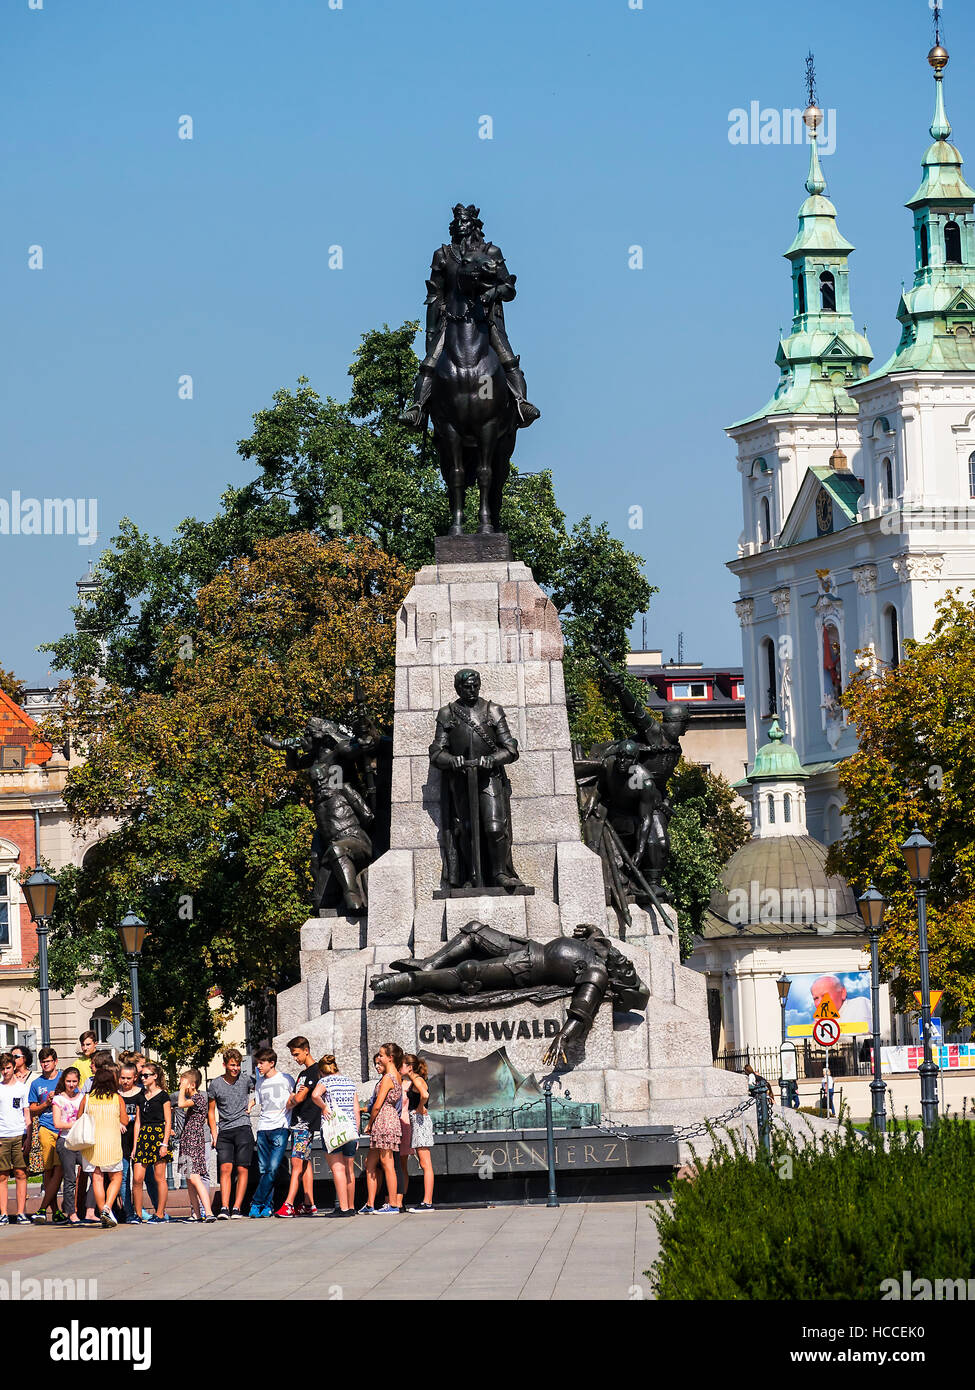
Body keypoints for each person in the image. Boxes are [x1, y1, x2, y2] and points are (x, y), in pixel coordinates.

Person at [76, 1063, 127, 1227]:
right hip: (111, 1143)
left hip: (91, 1145)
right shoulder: (116, 1098)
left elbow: (79, 1119)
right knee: (116, 1176)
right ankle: (107, 1208)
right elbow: (124, 1120)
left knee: (97, 1178)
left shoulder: (87, 1098)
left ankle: (104, 1211)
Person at [275, 1037, 321, 1219]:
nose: (295, 1058)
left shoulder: (313, 1072)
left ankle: (288, 1204)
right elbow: (294, 1098)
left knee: (296, 1162)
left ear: (306, 1050)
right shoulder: (303, 1074)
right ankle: (309, 1204)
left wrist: (292, 1099)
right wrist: (293, 1098)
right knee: (305, 1163)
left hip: (305, 1124)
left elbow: (299, 1098)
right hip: (299, 1124)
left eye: (296, 1054)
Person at [208, 1048, 255, 1220]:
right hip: (225, 1130)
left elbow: (262, 1089)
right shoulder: (215, 1084)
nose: (235, 1069)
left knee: (242, 1167)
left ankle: (237, 1207)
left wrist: (252, 1104)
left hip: (243, 1126)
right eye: (232, 1065)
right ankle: (224, 1207)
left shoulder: (246, 1080)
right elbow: (211, 1110)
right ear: (225, 1065)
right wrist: (214, 1133)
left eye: (238, 1065)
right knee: (225, 1168)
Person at [311, 1054, 361, 1217]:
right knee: (349, 1170)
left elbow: (314, 1095)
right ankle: (352, 1206)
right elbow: (356, 1109)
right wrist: (357, 1131)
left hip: (333, 1129)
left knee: (337, 1169)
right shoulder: (349, 1082)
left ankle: (343, 1208)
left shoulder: (324, 1081)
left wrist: (324, 1108)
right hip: (350, 1130)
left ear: (321, 1071)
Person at [251, 1048, 294, 1218]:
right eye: (257, 1063)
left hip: (280, 1127)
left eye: (261, 1063)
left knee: (273, 1168)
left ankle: (256, 1201)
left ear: (272, 1063)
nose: (259, 1066)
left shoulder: (286, 1079)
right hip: (263, 1128)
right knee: (264, 1170)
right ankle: (266, 1206)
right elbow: (260, 1101)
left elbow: (294, 1098)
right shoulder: (260, 1083)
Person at [361, 1042, 403, 1215]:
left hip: (384, 1118)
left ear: (390, 1058)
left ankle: (393, 1203)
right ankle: (370, 1203)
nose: (379, 1058)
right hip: (388, 1117)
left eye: (381, 1055)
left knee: (387, 1163)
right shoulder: (396, 1076)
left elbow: (377, 1105)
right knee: (370, 1162)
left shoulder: (388, 1078)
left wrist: (370, 1123)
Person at [132, 1061, 172, 1222]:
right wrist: (135, 1145)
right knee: (137, 1178)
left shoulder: (163, 1096)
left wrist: (165, 1143)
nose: (142, 1078)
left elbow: (168, 1121)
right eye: (141, 1075)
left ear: (155, 1076)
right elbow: (138, 1122)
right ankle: (138, 1214)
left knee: (159, 1177)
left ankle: (160, 1213)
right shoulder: (140, 1096)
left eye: (146, 1075)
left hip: (158, 1135)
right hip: (144, 1136)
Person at [28, 1047, 64, 1223]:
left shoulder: (64, 1078)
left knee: (59, 1168)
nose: (45, 1065)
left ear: (55, 1061)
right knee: (48, 1169)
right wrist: (46, 1103)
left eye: (48, 1061)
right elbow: (33, 1110)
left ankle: (43, 1208)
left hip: (63, 1128)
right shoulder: (36, 1083)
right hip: (46, 1126)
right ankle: (55, 1210)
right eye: (42, 1062)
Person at [177, 1069, 215, 1222]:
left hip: (194, 1141)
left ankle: (209, 1212)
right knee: (189, 1178)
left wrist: (181, 1089)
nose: (181, 1086)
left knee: (195, 1176)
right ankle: (196, 1213)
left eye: (183, 1084)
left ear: (192, 1085)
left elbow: (180, 1104)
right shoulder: (193, 1098)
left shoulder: (199, 1098)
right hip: (187, 1140)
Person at [0, 1051, 31, 1225]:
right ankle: (3, 1213)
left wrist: (28, 1137)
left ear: (13, 1067)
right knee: (2, 1175)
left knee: (21, 1173)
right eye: (2, 1069)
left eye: (8, 1068)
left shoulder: (22, 1088)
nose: (5, 1072)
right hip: (2, 1135)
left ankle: (21, 1213)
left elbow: (26, 1113)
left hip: (19, 1134)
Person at [51, 1068, 84, 1225]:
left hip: (82, 1141)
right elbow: (58, 1123)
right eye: (68, 1081)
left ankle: (90, 1210)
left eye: (74, 1081)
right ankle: (71, 1213)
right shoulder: (58, 1099)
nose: (71, 1085)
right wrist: (76, 1125)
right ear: (64, 1081)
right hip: (66, 1141)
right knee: (70, 1178)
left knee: (94, 1173)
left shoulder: (83, 1097)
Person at [403, 1055, 435, 1211]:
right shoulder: (413, 1080)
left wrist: (420, 1107)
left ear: (409, 1067)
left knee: (425, 1163)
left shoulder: (417, 1079)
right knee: (424, 1163)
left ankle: (427, 1201)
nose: (399, 1068)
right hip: (417, 1121)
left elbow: (425, 1094)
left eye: (401, 1065)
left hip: (420, 1121)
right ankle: (427, 1201)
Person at [118, 1062, 143, 1223]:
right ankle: (129, 1212)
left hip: (140, 1139)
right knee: (124, 1176)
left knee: (141, 1178)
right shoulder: (116, 1095)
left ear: (135, 1078)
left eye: (128, 1078)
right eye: (122, 1078)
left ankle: (149, 1211)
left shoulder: (141, 1093)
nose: (125, 1081)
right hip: (121, 1141)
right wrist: (118, 1122)